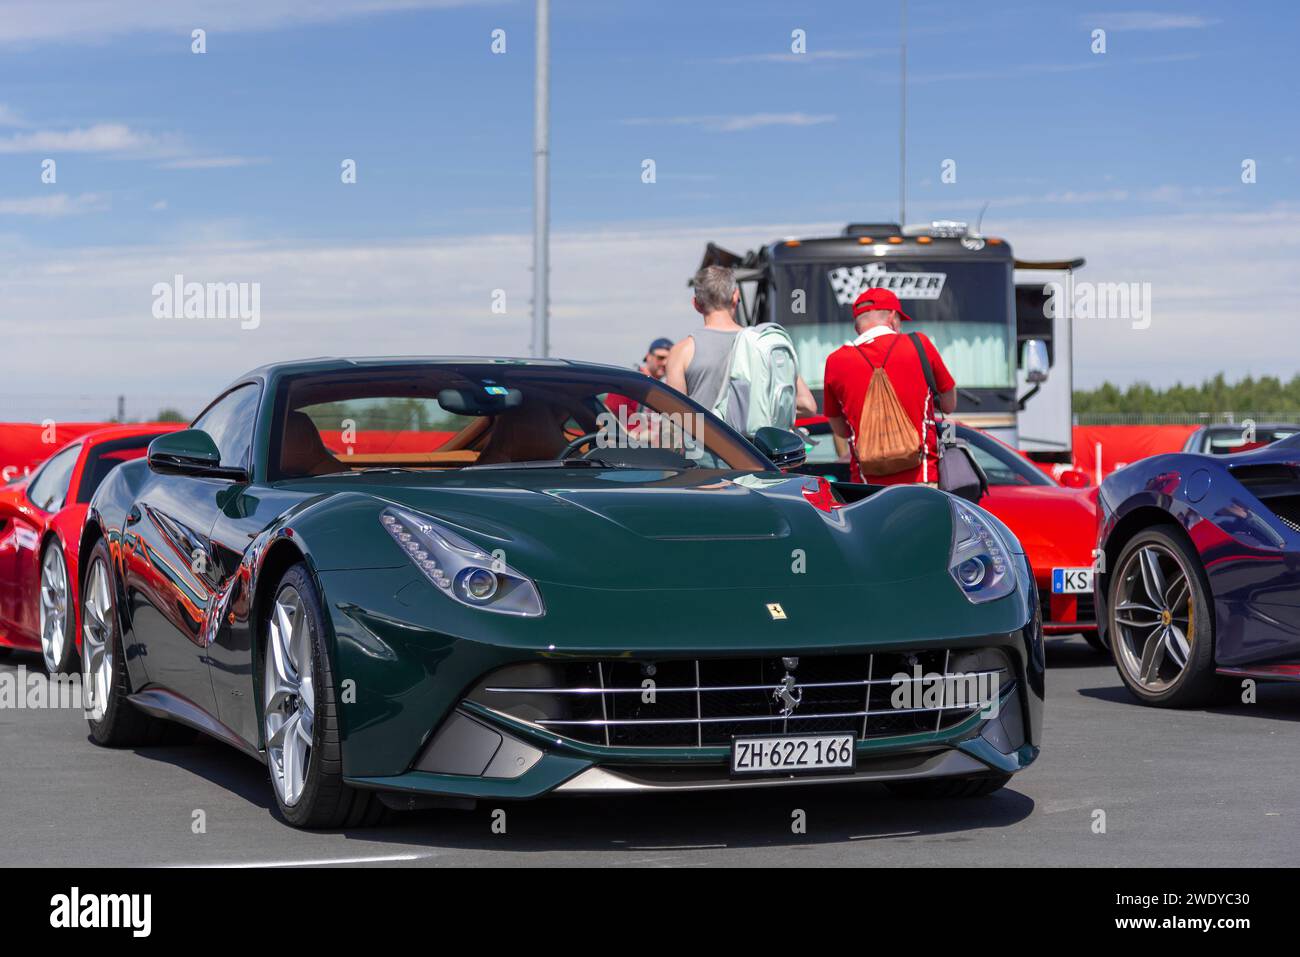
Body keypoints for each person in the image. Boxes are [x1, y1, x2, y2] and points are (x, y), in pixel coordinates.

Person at [823, 287, 957, 485]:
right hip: (922, 477)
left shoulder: (835, 361)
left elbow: (841, 431)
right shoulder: (918, 344)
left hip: (866, 485)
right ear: (893, 317)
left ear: (857, 325)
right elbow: (949, 405)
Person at [665, 265, 815, 424]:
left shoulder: (682, 352)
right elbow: (808, 405)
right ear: (735, 297)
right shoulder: (763, 343)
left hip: (703, 447)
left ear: (696, 304)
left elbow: (673, 422)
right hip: (752, 448)